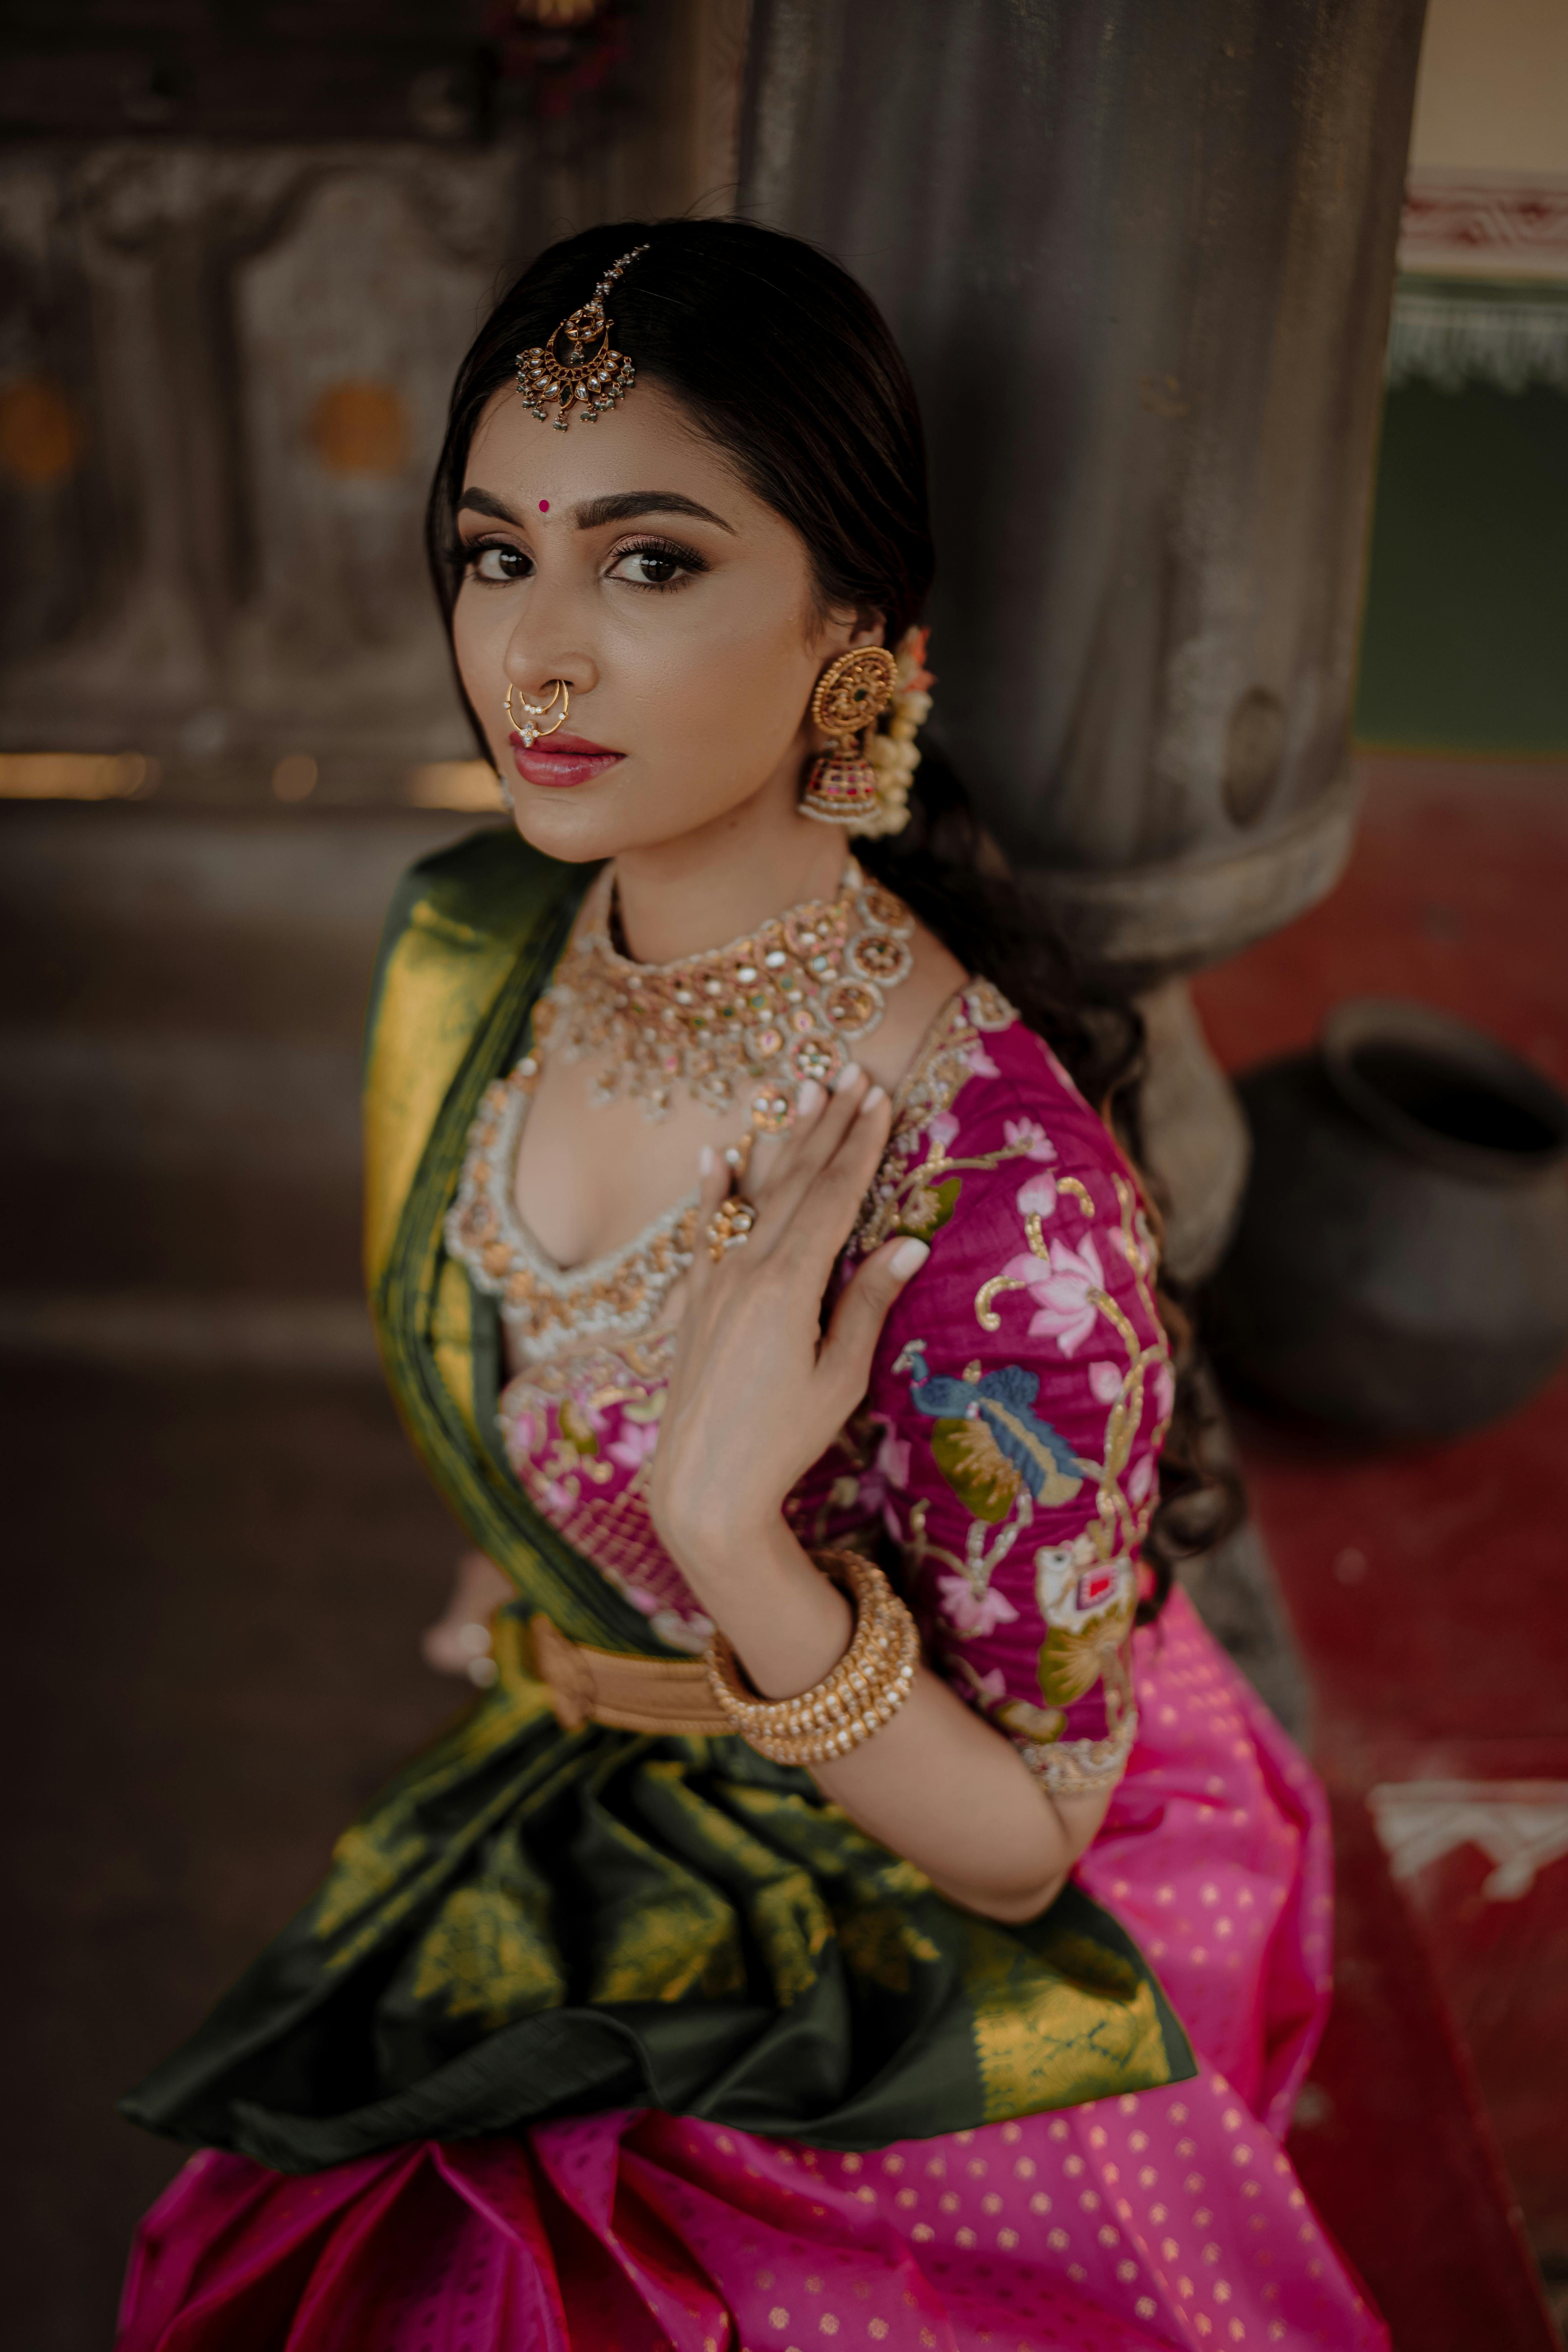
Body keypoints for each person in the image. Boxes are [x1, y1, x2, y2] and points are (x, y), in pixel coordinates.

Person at [116, 219, 1385, 2351]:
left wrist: (731, 1543)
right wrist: (527, 1577)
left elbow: (1026, 1844)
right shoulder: (477, 951)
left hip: (897, 1895)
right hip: (577, 1772)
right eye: (494, 552)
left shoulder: (1001, 1212)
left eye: (649, 563)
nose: (532, 654)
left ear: (855, 636)